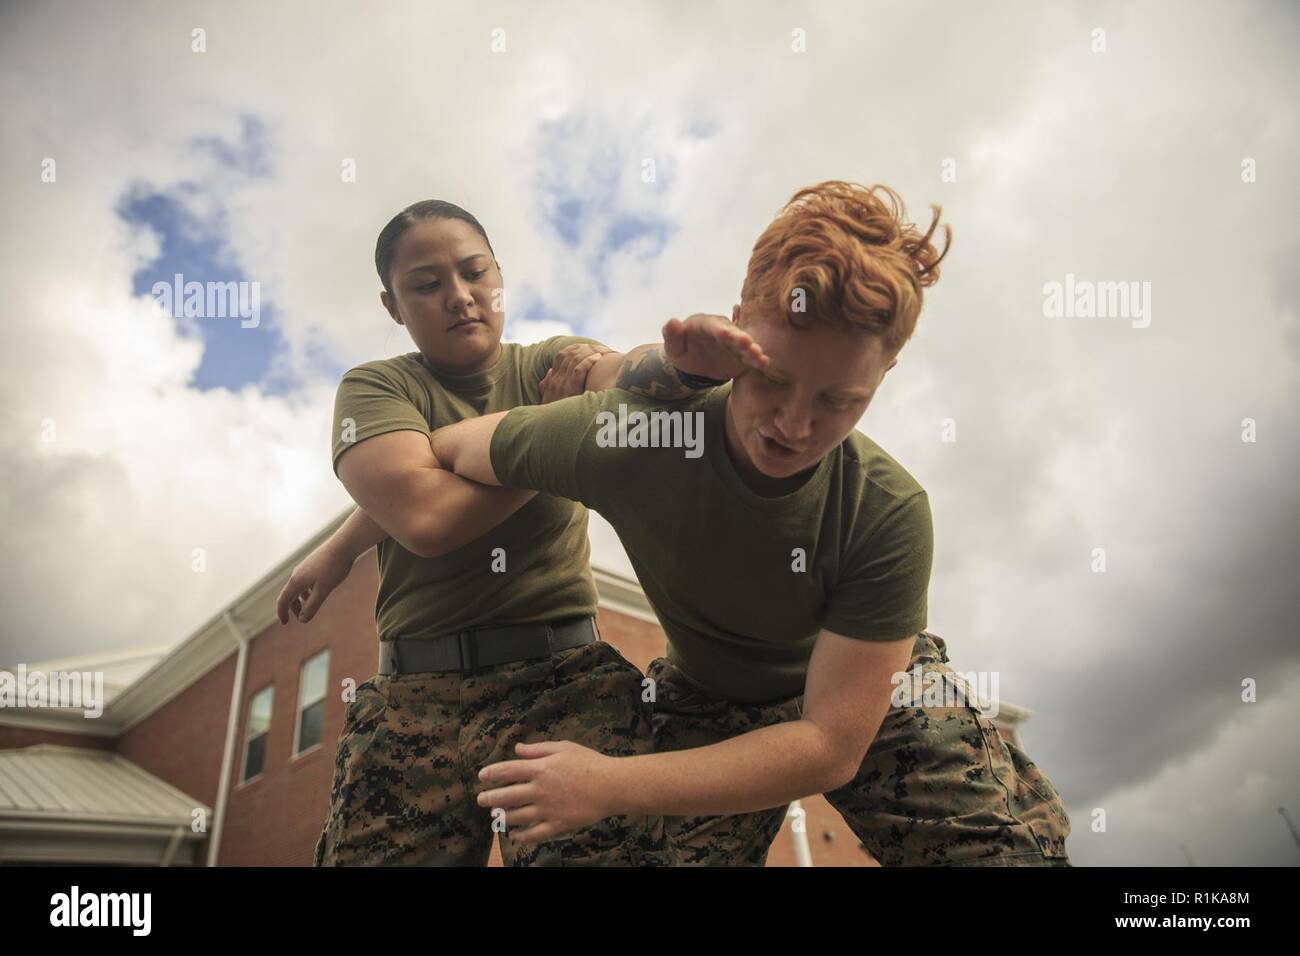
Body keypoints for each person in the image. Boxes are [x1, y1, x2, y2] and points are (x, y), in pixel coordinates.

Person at [421, 181, 1074, 866]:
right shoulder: (629, 438)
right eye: (773, 380)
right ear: (737, 327)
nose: (793, 425)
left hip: (868, 699)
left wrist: (609, 781)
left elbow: (827, 745)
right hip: (709, 698)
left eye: (838, 401)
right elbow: (449, 449)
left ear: (887, 371)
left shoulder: (887, 510)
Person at [282, 199, 765, 866]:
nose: (460, 297)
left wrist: (689, 360)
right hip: (411, 699)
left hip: (561, 683)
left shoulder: (552, 362)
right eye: (426, 285)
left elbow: (628, 375)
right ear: (393, 306)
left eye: (475, 273)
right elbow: (426, 517)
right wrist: (562, 429)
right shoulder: (377, 389)